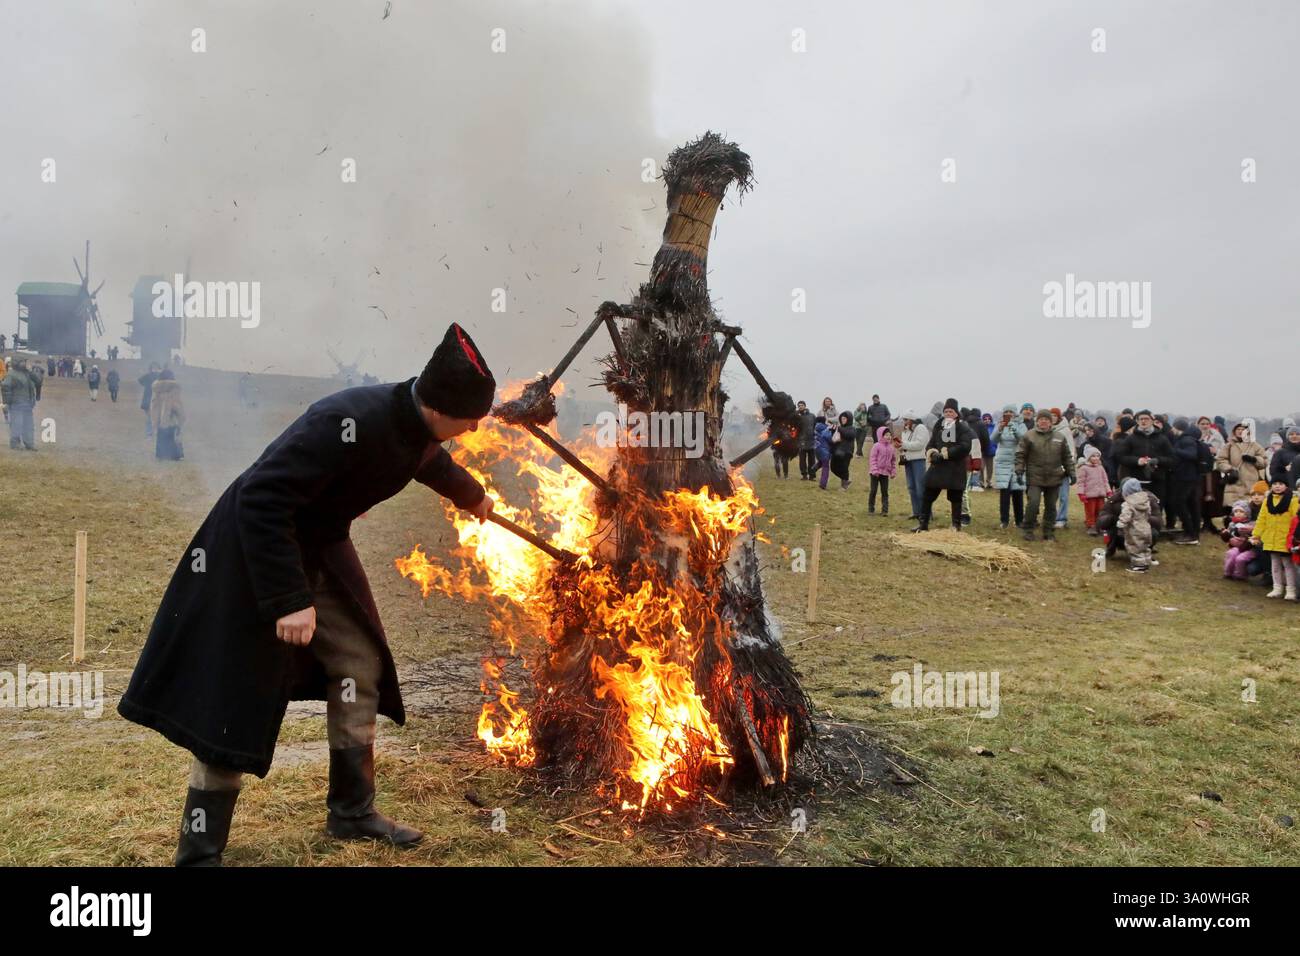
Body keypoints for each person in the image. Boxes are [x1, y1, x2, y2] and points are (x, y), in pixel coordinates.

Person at [119, 322, 499, 866]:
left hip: (320, 543)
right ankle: (198, 854)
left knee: (358, 663)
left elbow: (428, 461)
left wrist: (472, 495)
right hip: (256, 550)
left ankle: (351, 810)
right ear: (440, 408)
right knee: (235, 697)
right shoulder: (349, 420)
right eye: (470, 420)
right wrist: (287, 599)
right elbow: (261, 498)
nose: (474, 429)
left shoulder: (417, 426)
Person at [1015, 409, 1075, 541]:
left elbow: (1067, 457)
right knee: (1033, 503)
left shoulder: (1059, 437)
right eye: (1041, 419)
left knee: (1051, 506)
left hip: (1054, 477)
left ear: (1050, 422)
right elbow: (1020, 455)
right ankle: (1028, 529)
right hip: (1035, 476)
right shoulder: (1029, 436)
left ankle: (1048, 532)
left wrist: (1072, 472)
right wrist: (1019, 470)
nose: (1044, 421)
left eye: (1046, 419)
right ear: (1037, 421)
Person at [915, 398, 973, 532]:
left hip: (955, 468)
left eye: (951, 411)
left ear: (956, 413)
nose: (948, 413)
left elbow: (965, 446)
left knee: (956, 498)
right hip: (938, 467)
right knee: (928, 494)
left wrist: (947, 454)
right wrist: (933, 453)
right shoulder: (939, 425)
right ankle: (923, 524)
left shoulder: (962, 427)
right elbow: (932, 442)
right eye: (946, 411)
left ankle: (956, 526)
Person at [1252, 478, 1299, 599]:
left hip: (1285, 539)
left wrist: (1295, 537)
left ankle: (1291, 590)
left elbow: (1296, 520)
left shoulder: (1293, 501)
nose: (1277, 486)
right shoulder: (1267, 501)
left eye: (1281, 483)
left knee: (1288, 565)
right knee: (1275, 564)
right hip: (1270, 538)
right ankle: (1277, 588)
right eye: (1275, 484)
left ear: (1286, 486)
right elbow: (1262, 519)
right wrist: (1256, 534)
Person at [1167, 418, 1206, 544]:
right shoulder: (1186, 439)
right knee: (1191, 504)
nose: (1172, 430)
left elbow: (1191, 454)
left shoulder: (1186, 440)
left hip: (1185, 477)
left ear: (1178, 428)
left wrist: (1173, 451)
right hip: (1189, 476)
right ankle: (1192, 532)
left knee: (1178, 503)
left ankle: (1190, 533)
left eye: (1174, 427)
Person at [991, 404, 1027, 528]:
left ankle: (1019, 520)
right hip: (1003, 461)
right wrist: (1000, 429)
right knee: (1004, 492)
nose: (1008, 414)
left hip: (1017, 461)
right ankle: (1004, 520)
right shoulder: (999, 424)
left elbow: (1023, 439)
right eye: (1006, 412)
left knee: (1017, 492)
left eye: (1011, 412)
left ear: (1015, 413)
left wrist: (1013, 427)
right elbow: (993, 440)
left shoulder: (1021, 424)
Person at [1216, 422, 1267, 503]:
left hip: (1251, 483)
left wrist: (1253, 459)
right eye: (1238, 429)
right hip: (1234, 482)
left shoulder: (1255, 446)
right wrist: (1229, 469)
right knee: (1235, 511)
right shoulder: (1229, 446)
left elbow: (1264, 462)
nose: (1240, 431)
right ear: (1234, 432)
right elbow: (1220, 461)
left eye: (1243, 429)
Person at [1117, 478, 1157, 573]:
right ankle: (1147, 560)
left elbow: (1125, 516)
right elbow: (1149, 512)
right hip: (1146, 527)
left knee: (1135, 547)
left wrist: (1120, 524)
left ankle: (1139, 565)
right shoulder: (1145, 500)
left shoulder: (1128, 504)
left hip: (1134, 530)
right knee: (1145, 546)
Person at [1, 357, 38, 451]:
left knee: (28, 425)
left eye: (25, 361)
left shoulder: (27, 373)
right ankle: (15, 444)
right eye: (23, 362)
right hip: (16, 404)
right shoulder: (11, 374)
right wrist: (7, 403)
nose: (25, 364)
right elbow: (5, 388)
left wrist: (30, 372)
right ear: (17, 363)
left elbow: (38, 381)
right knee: (16, 424)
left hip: (27, 404)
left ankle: (29, 443)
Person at [899, 410, 930, 521]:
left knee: (920, 487)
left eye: (906, 419)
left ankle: (926, 513)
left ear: (912, 420)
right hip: (908, 460)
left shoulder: (921, 428)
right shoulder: (906, 431)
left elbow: (920, 444)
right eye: (904, 420)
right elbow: (906, 445)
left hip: (919, 460)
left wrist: (904, 444)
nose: (905, 422)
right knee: (911, 487)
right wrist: (900, 446)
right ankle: (916, 511)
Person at [150, 370, 186, 460]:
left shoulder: (156, 388)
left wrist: (155, 420)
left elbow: (154, 404)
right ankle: (175, 455)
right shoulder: (175, 388)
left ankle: (161, 455)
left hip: (159, 419)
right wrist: (181, 417)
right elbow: (178, 405)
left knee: (161, 435)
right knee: (173, 435)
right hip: (171, 418)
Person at [1077, 446, 1111, 535]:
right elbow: (1081, 482)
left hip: (1100, 495)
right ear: (1088, 457)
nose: (1096, 458)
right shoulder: (1084, 468)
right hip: (1089, 495)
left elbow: (1105, 481)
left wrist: (1108, 491)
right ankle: (1091, 526)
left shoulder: (1100, 468)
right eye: (1093, 456)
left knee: (1101, 511)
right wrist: (1081, 493)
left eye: (1097, 456)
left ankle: (1100, 525)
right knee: (1090, 512)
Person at [1221, 500, 1257, 580]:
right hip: (1236, 546)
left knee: (1240, 558)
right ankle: (1228, 573)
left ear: (1247, 513)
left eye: (1241, 511)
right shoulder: (1232, 524)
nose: (1238, 513)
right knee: (1231, 554)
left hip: (1249, 548)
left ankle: (1240, 575)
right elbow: (1229, 536)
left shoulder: (1251, 524)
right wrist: (1225, 534)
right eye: (1236, 511)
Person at [868, 426, 896, 515]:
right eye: (886, 435)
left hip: (885, 473)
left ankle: (885, 510)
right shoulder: (876, 446)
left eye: (889, 435)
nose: (888, 437)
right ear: (881, 435)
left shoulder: (891, 448)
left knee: (885, 491)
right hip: (875, 473)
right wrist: (874, 470)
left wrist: (893, 471)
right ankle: (871, 509)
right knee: (873, 490)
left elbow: (893, 461)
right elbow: (873, 459)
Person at [828, 411, 856, 489]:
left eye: (845, 418)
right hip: (837, 451)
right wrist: (833, 431)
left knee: (844, 468)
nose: (843, 420)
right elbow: (833, 439)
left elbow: (849, 435)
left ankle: (844, 486)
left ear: (849, 419)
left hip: (847, 452)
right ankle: (846, 480)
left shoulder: (852, 428)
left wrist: (839, 428)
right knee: (833, 468)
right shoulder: (839, 428)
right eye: (842, 418)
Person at [794, 400, 816, 480]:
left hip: (811, 440)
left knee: (812, 460)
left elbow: (815, 426)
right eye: (799, 406)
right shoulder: (797, 416)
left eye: (802, 405)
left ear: (805, 406)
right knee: (802, 460)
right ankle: (804, 475)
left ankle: (812, 475)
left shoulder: (812, 416)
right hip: (801, 441)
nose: (800, 407)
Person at [139, 363, 162, 437]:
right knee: (153, 417)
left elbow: (140, 380)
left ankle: (150, 433)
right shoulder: (160, 376)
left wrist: (146, 384)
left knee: (152, 417)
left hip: (153, 399)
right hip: (153, 399)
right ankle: (152, 432)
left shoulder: (149, 375)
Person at [814, 416, 833, 490]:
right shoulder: (826, 429)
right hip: (825, 450)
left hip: (817, 449)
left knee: (822, 461)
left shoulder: (815, 429)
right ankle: (823, 484)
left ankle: (814, 468)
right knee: (826, 467)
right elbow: (830, 439)